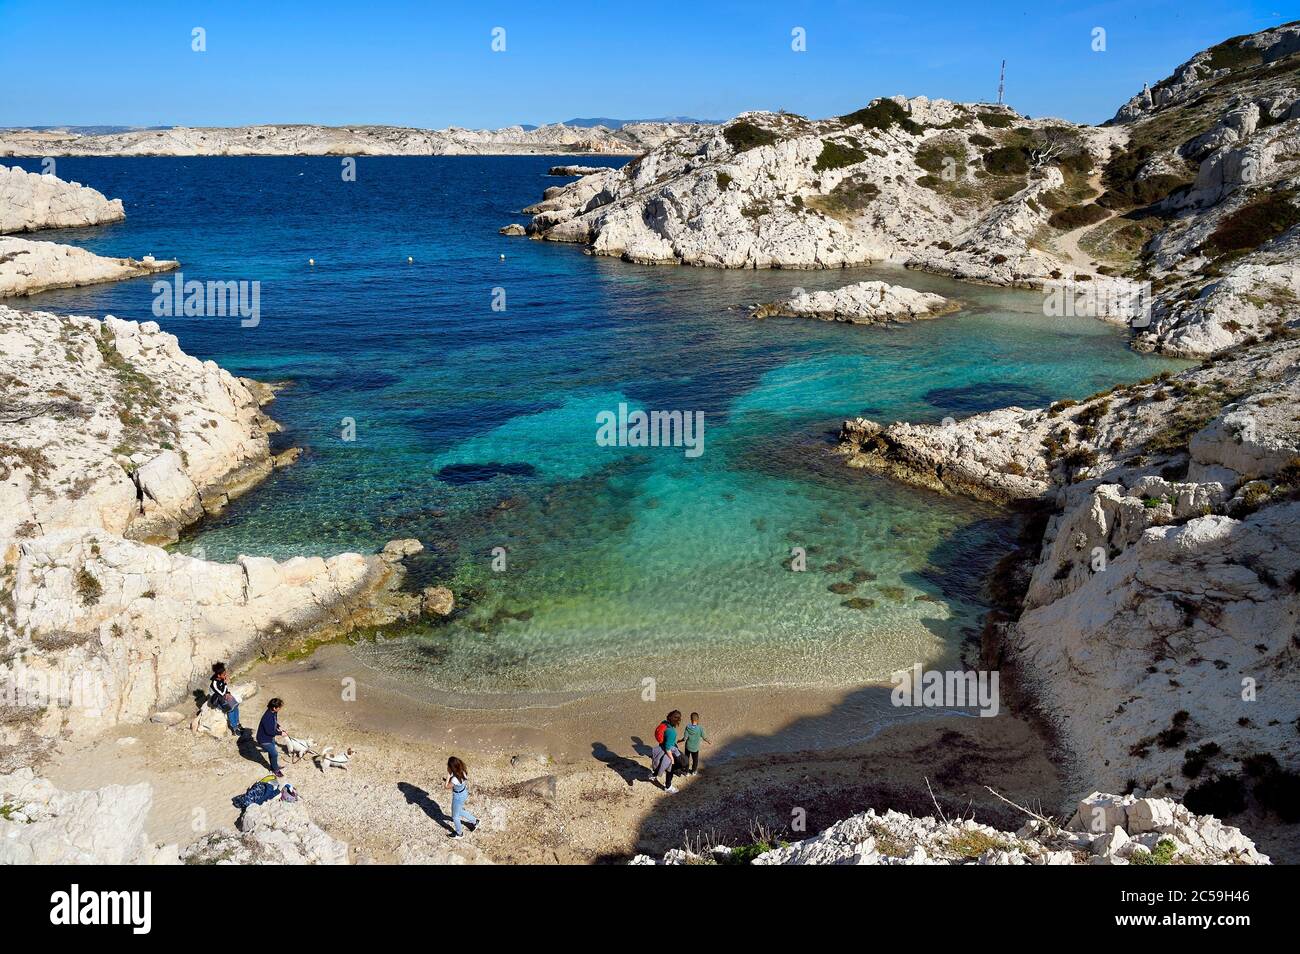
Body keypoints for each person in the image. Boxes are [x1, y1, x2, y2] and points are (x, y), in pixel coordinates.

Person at [445, 756, 478, 838]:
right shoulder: (463, 771)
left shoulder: (454, 779)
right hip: (464, 792)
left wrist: (448, 775)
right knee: (459, 810)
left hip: (458, 796)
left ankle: (459, 833)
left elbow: (446, 786)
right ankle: (475, 821)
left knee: (455, 816)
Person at [651, 710, 684, 793]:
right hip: (667, 750)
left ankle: (653, 775)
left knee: (659, 762)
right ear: (677, 721)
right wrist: (671, 758)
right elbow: (668, 747)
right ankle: (668, 787)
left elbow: (663, 738)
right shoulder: (672, 732)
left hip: (660, 747)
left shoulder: (664, 723)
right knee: (670, 769)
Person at [209, 662, 241, 737]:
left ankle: (237, 723)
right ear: (218, 675)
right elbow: (221, 693)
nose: (225, 675)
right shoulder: (214, 683)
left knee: (235, 705)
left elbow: (224, 691)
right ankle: (234, 729)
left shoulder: (221, 678)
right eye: (224, 674)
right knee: (230, 709)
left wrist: (228, 693)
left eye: (225, 673)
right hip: (216, 699)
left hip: (222, 696)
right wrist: (225, 684)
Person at [256, 698, 286, 778]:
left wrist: (278, 726)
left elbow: (274, 721)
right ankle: (276, 770)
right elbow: (269, 731)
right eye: (279, 707)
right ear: (274, 708)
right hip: (264, 739)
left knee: (272, 753)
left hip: (270, 737)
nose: (280, 709)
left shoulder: (273, 712)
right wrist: (280, 733)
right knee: (274, 753)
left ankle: (274, 766)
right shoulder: (267, 717)